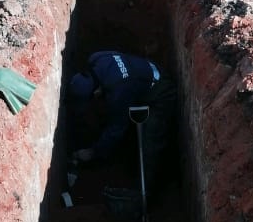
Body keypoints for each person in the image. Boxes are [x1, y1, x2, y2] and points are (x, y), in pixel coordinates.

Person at [67, 51, 177, 196]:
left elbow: (116, 128)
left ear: (96, 92)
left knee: (150, 142)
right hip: (147, 71)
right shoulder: (96, 58)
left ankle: (144, 194)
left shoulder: (118, 91)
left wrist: (94, 152)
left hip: (161, 92)